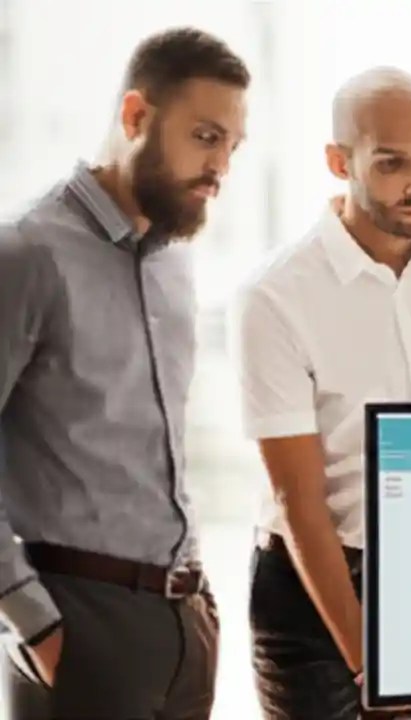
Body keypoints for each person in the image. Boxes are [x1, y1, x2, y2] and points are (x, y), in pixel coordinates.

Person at [231, 67, 411, 719]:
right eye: (392, 163)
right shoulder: (275, 296)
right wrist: (369, 661)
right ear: (340, 163)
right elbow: (299, 501)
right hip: (308, 583)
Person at [0, 27, 249, 719]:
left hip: (184, 623)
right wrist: (34, 622)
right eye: (205, 137)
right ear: (136, 115)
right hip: (79, 621)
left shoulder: (177, 265)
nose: (220, 166)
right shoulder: (27, 254)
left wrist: (197, 613)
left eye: (232, 146)